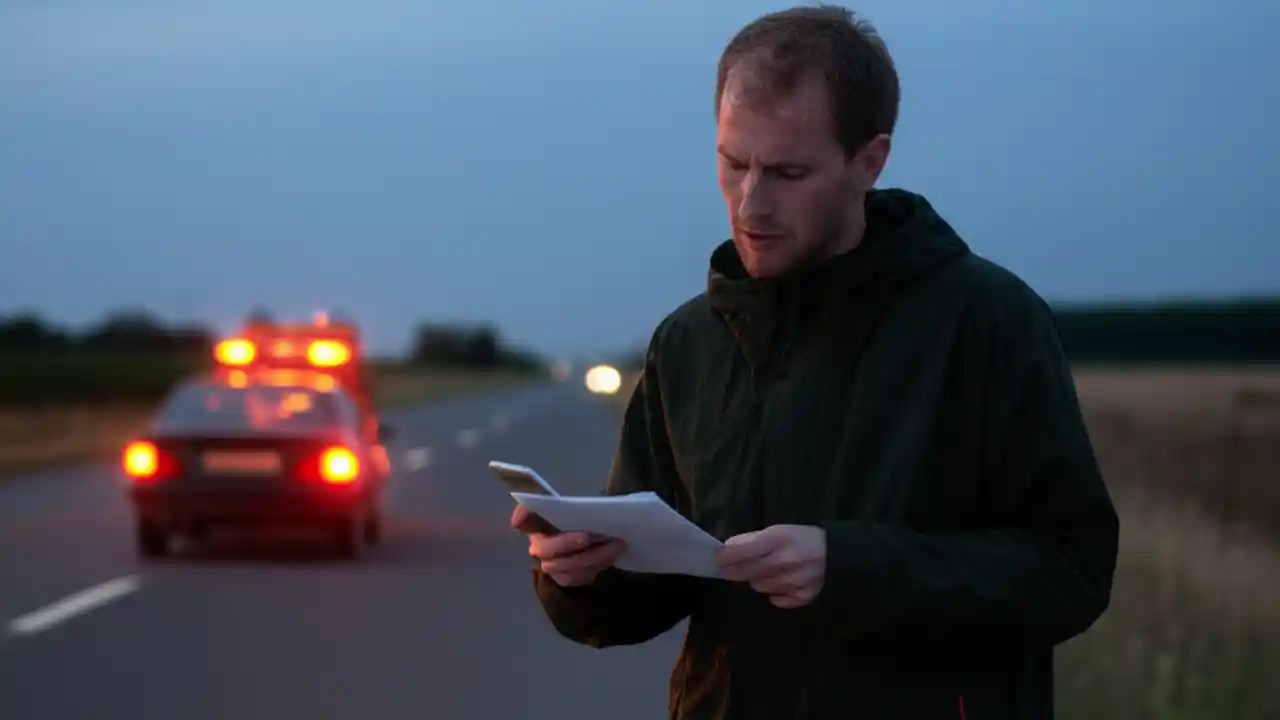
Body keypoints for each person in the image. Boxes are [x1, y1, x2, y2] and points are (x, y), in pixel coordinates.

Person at [511, 5, 1120, 718]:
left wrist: (853, 568)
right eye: (733, 163)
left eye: (787, 172)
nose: (751, 204)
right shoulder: (689, 343)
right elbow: (654, 592)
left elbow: (1071, 570)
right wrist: (582, 577)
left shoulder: (988, 323)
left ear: (870, 161)